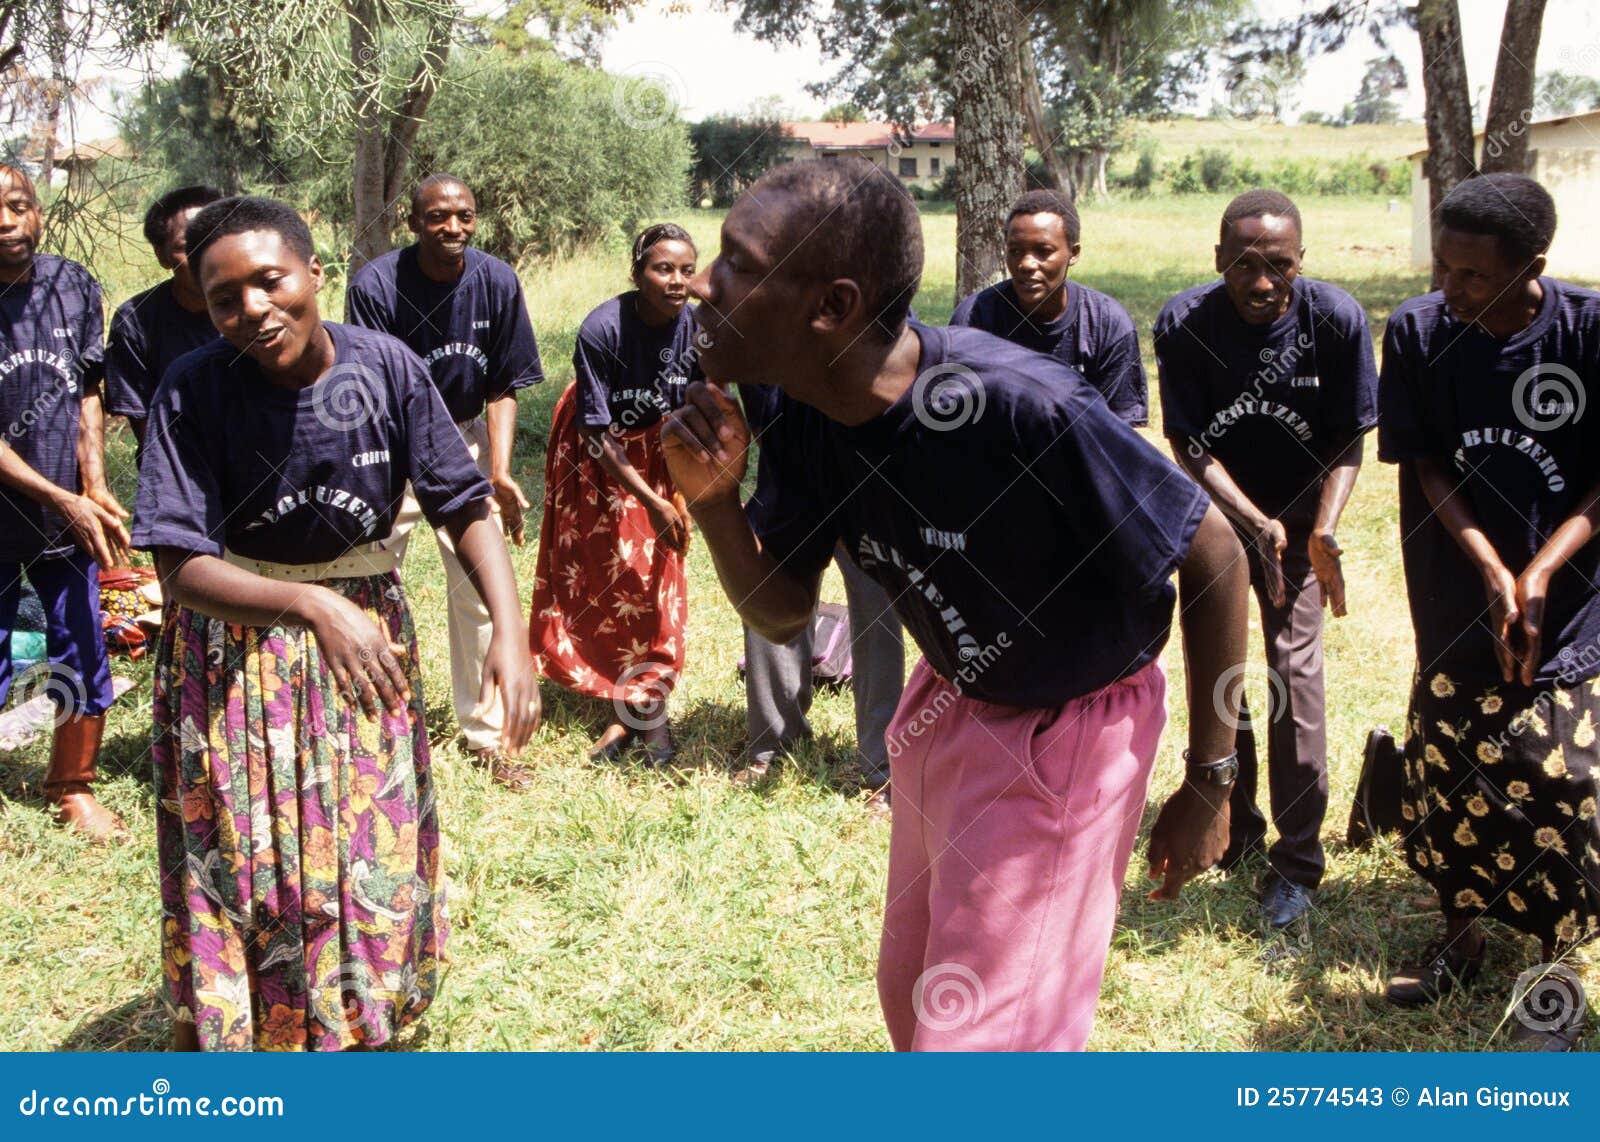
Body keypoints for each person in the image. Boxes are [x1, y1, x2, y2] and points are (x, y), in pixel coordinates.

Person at [662, 157, 1249, 1051]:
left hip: (1070, 732)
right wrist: (711, 501)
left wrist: (1211, 781)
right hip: (950, 706)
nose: (703, 282)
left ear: (832, 308)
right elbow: (782, 612)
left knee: (980, 1044)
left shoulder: (1019, 408)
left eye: (737, 264)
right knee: (916, 996)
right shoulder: (795, 401)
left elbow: (1214, 552)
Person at [134, 196, 539, 1051]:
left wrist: (511, 630)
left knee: (368, 841)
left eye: (270, 282)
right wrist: (315, 605)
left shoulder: (385, 368)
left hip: (367, 647)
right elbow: (178, 565)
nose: (253, 309)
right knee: (254, 856)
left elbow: (461, 502)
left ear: (315, 275)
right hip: (235, 648)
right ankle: (256, 1028)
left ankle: (359, 1019)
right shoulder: (194, 389)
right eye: (224, 297)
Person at [1376, 173, 1600, 1049]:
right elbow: (1428, 463)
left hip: (1574, 586)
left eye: (1473, 275)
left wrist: (1540, 571)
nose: (1452, 289)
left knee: (1568, 777)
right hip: (1454, 577)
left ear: (1532, 267)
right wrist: (1490, 569)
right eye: (1444, 267)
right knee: (1450, 761)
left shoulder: (1588, 333)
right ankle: (1459, 939)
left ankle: (1556, 967)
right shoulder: (1422, 332)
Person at [1154, 189, 1375, 929]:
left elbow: (1349, 439)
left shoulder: (1336, 321)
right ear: (1218, 260)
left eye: (1278, 266)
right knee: (1223, 676)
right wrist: (1250, 520)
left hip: (1302, 527)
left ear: (1299, 263)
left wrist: (1322, 527)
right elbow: (1187, 442)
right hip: (1219, 523)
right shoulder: (1185, 324)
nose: (1260, 283)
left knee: (1292, 675)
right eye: (1244, 265)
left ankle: (1299, 862)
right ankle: (1235, 827)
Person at [345, 174, 545, 790]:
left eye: (463, 215)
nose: (452, 228)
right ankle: (360, 719)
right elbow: (369, 381)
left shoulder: (496, 281)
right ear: (414, 223)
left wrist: (499, 469)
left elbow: (502, 385)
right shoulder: (376, 285)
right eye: (437, 217)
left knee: (480, 585)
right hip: (388, 440)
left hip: (460, 436)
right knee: (364, 576)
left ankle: (490, 734)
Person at [529, 224, 699, 763]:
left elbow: (703, 411)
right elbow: (597, 433)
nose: (677, 281)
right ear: (637, 273)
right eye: (663, 268)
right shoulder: (603, 329)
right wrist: (652, 502)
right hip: (598, 453)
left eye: (687, 270)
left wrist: (685, 494)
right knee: (606, 579)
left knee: (654, 581)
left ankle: (644, 712)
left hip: (664, 450)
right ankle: (627, 709)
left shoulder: (697, 329)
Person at [0, 164, 131, 841]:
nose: (6, 221)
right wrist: (63, 496)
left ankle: (72, 787)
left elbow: (87, 389)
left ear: (38, 213)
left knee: (80, 636)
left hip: (61, 515)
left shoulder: (73, 285)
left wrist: (95, 485)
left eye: (18, 205)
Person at [733, 379, 904, 804]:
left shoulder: (879, 316)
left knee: (877, 612)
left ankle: (881, 769)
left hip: (868, 484)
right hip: (789, 476)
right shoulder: (762, 321)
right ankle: (772, 744)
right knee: (770, 598)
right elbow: (757, 400)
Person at [950, 188, 1147, 425]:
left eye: (1043, 252)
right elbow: (955, 421)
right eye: (1015, 251)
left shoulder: (1106, 325)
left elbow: (1120, 432)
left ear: (1073, 254)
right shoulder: (975, 319)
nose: (1026, 264)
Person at [104, 185, 224, 448]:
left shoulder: (259, 309)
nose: (202, 256)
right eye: (186, 246)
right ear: (163, 256)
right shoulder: (135, 322)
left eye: (213, 239)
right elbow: (147, 429)